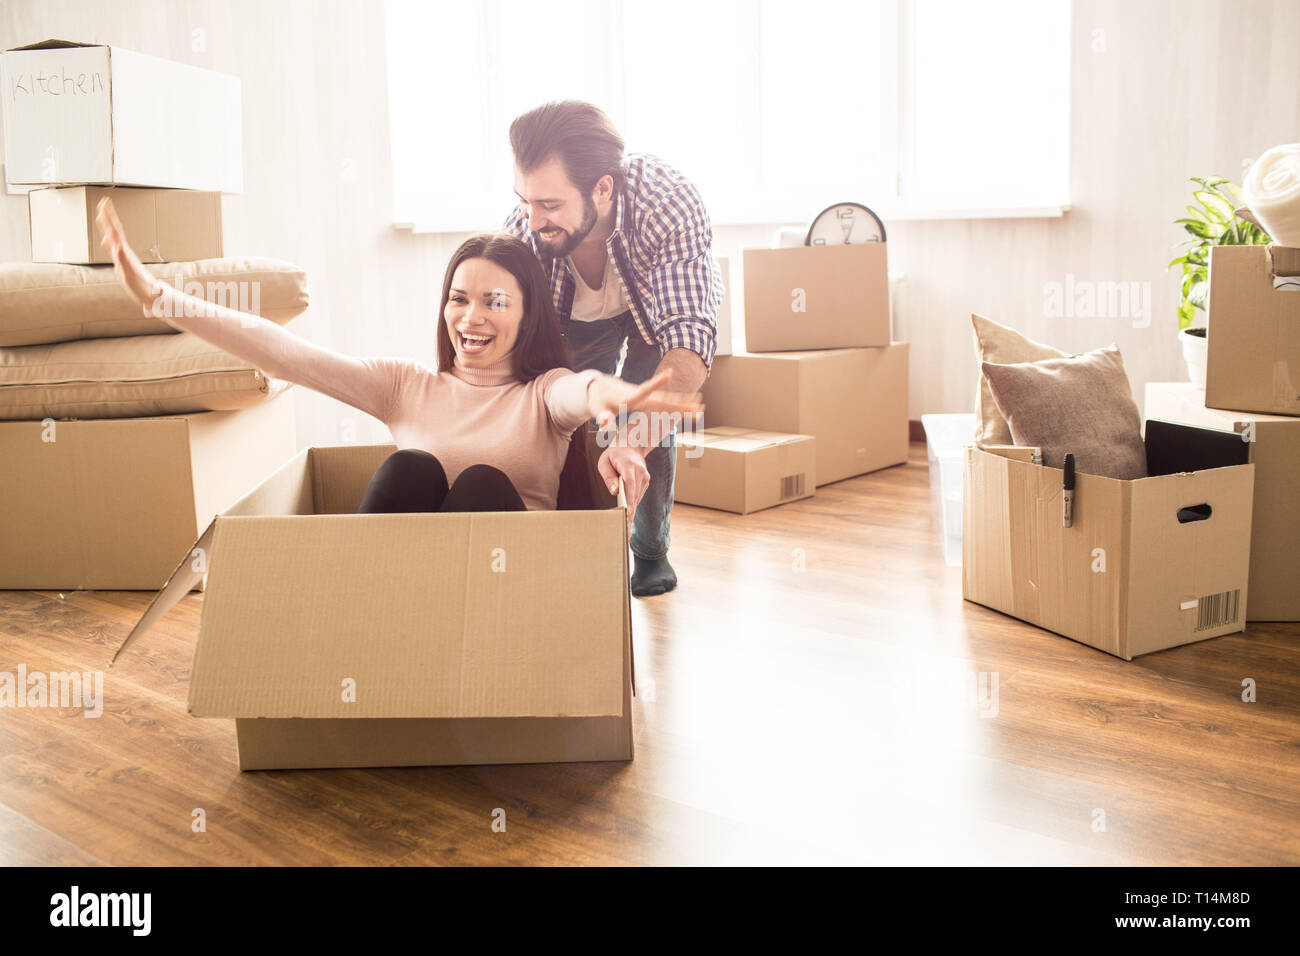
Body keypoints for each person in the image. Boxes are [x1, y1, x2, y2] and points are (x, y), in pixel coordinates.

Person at [93, 197, 702, 518]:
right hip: (411, 595)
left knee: (484, 486)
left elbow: (581, 391)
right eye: (459, 299)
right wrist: (159, 297)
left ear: (527, 313)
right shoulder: (404, 387)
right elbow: (282, 352)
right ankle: (371, 613)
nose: (472, 317)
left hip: (510, 596)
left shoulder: (543, 394)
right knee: (410, 470)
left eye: (495, 301)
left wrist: (611, 393)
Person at [504, 101, 724, 597]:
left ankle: (650, 551)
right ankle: (580, 543)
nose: (534, 219)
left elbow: (687, 344)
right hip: (576, 317)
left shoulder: (668, 202)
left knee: (648, 420)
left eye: (550, 205)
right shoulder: (523, 233)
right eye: (524, 200)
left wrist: (633, 439)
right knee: (578, 422)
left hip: (655, 310)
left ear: (603, 188)